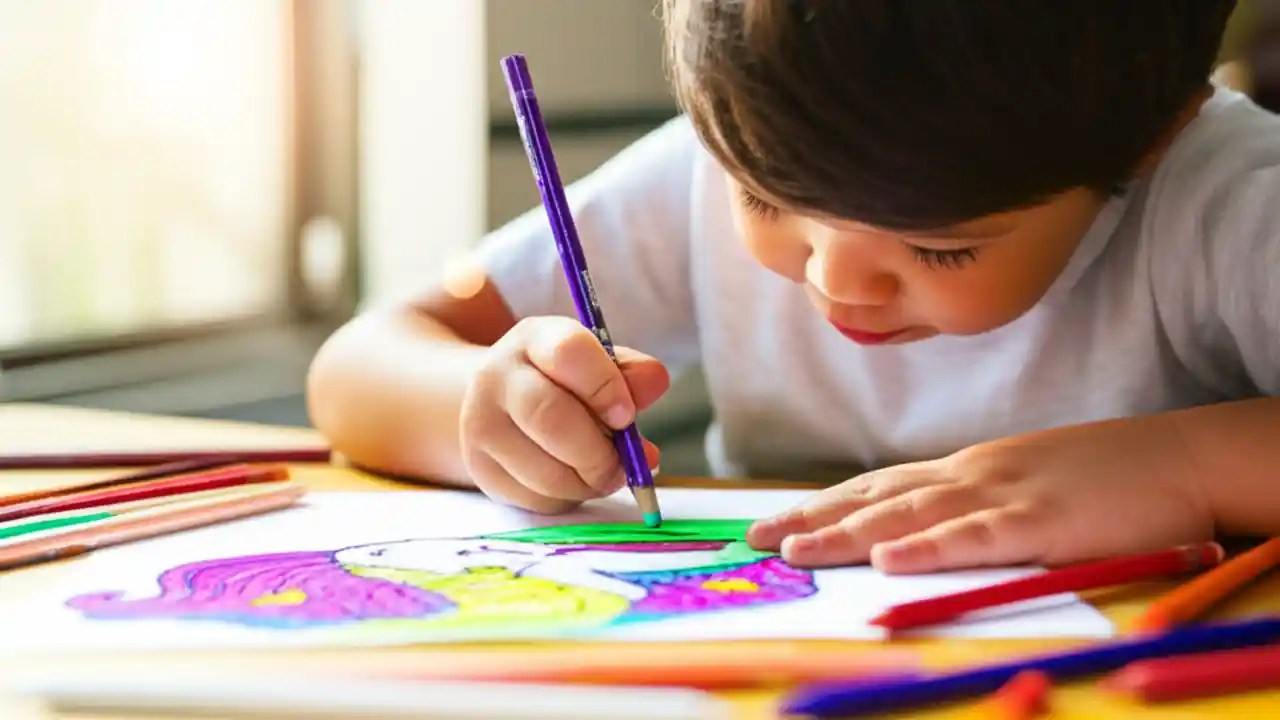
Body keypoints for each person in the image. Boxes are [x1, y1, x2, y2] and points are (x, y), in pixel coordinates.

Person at [308, 1, 1280, 574]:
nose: (832, 280)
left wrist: (1184, 465)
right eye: (764, 201)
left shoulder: (1224, 198)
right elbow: (356, 366)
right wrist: (483, 408)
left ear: (1151, 135)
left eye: (938, 251)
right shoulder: (720, 155)